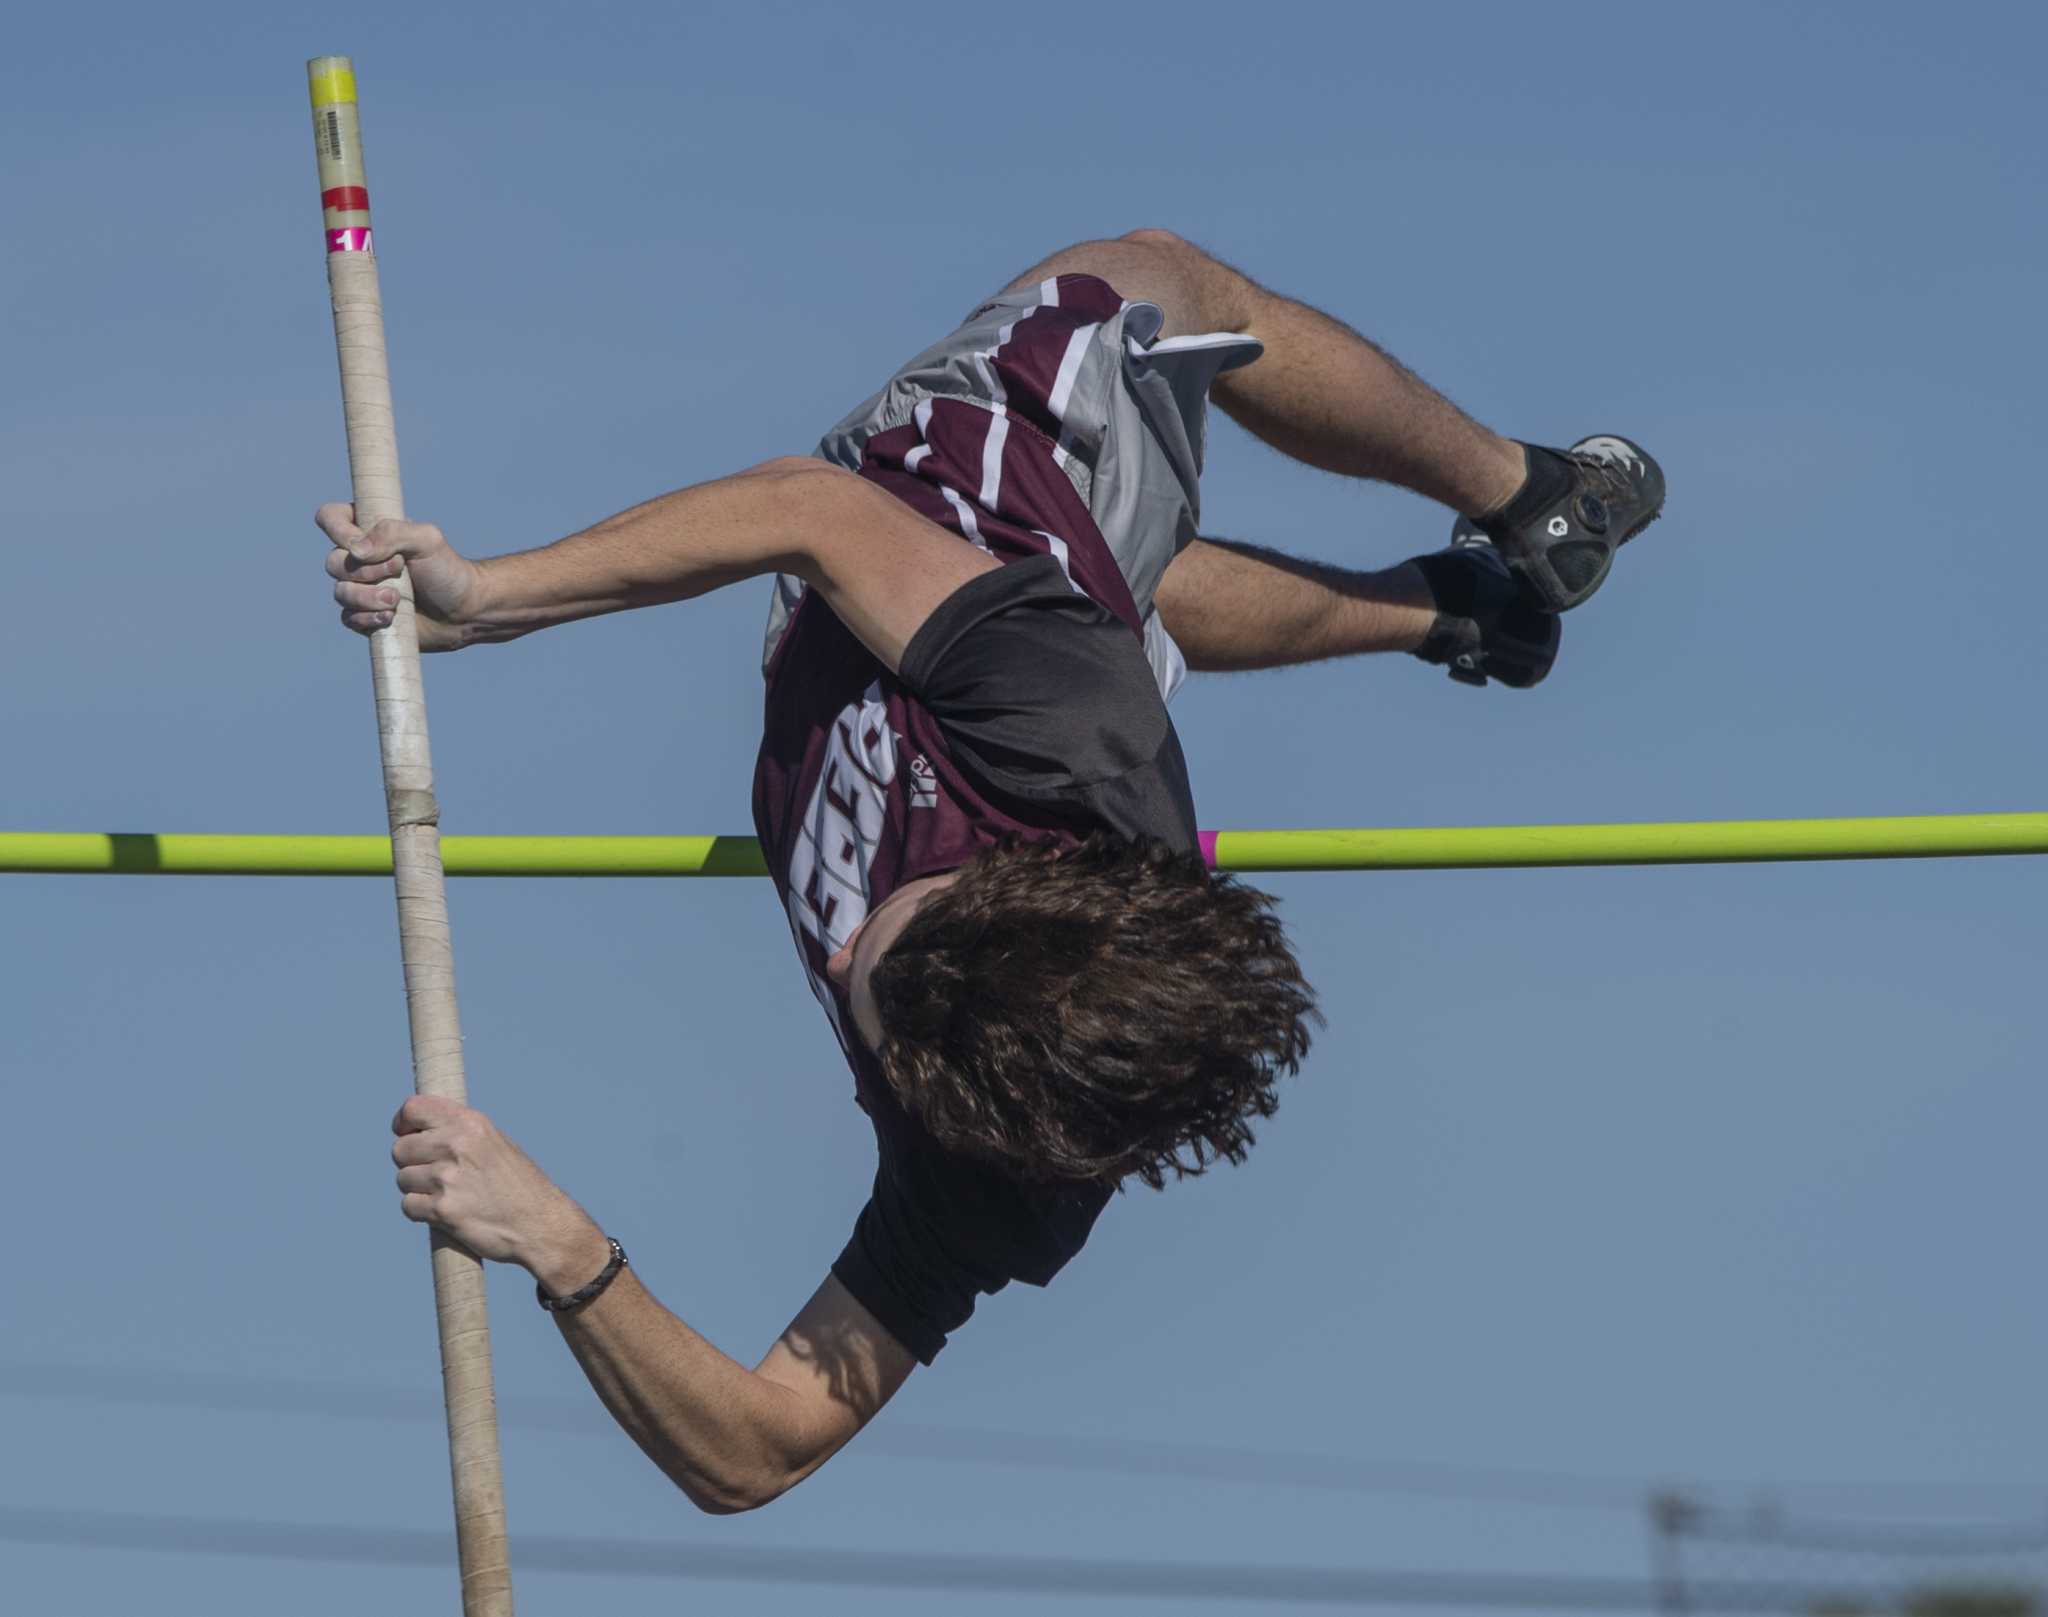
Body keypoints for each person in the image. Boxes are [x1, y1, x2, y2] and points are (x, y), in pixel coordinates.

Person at [317, 229, 1665, 1514]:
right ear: (1001, 873)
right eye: (881, 950)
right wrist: (492, 597)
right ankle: (1528, 495)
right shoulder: (1058, 727)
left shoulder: (1003, 1167)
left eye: (866, 1005)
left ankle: (1447, 608)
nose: (837, 954)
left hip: (1007, 625)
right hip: (939, 500)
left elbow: (754, 1452)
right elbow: (808, 509)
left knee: (1116, 583)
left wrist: (561, 1244)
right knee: (1160, 281)